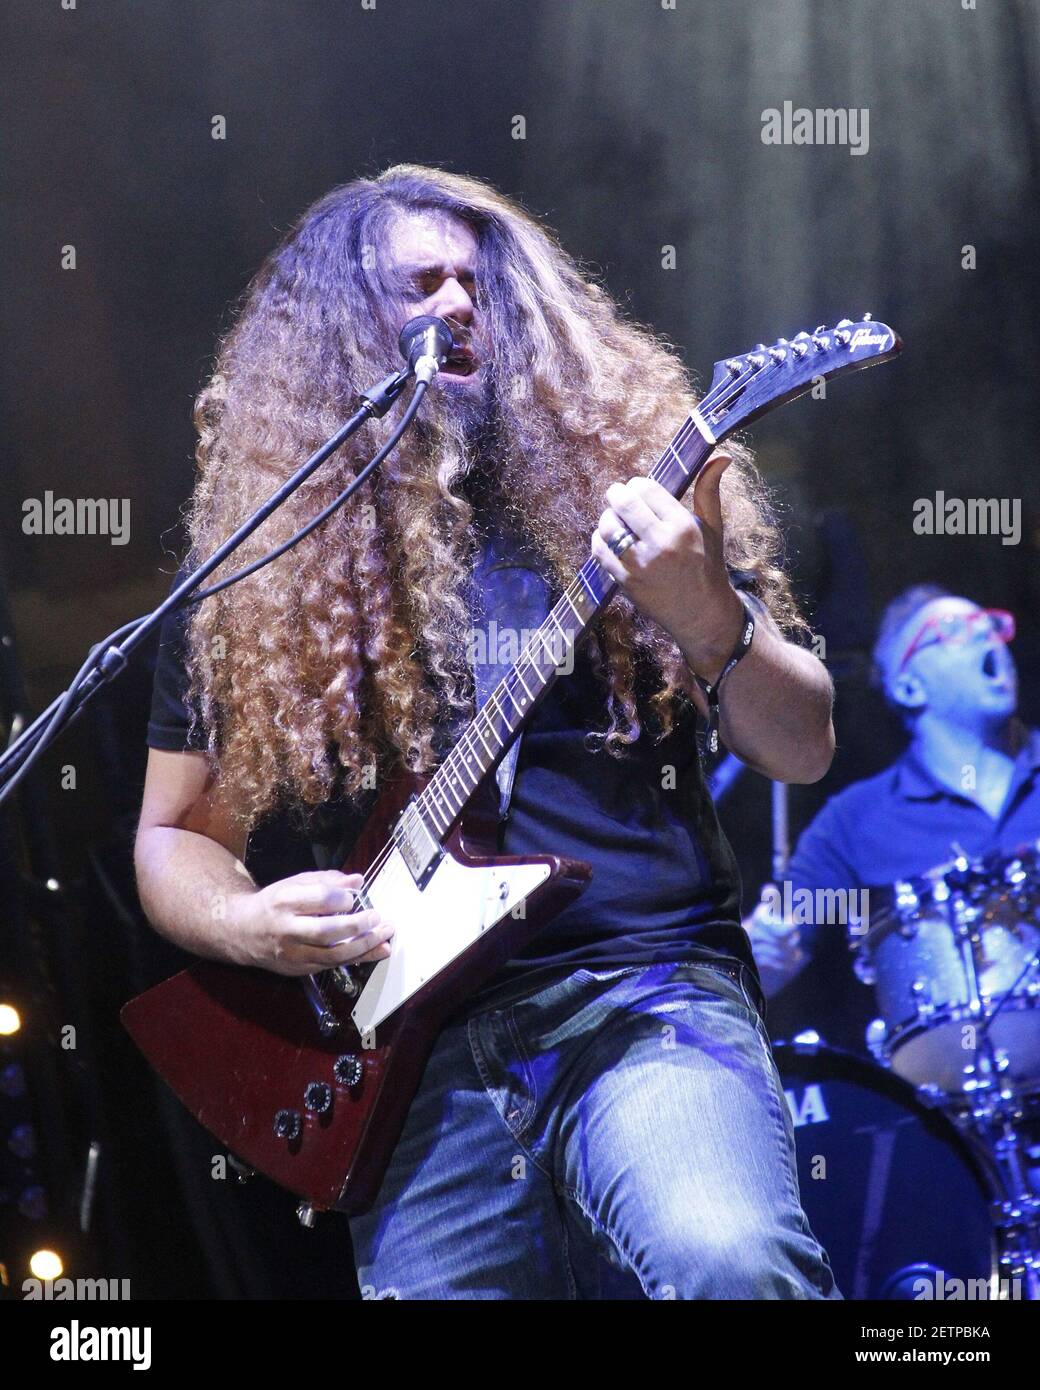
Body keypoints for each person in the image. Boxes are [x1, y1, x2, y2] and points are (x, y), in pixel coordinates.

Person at [136, 165, 840, 1300]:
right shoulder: (259, 576)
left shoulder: (620, 495)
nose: (459, 304)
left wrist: (704, 609)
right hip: (415, 1066)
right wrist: (246, 919)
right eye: (421, 285)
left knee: (729, 1261)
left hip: (638, 995)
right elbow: (171, 837)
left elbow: (800, 745)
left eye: (477, 284)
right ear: (336, 338)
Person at [747, 585, 1039, 1053]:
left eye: (992, 625)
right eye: (954, 631)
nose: (988, 636)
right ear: (908, 686)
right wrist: (764, 949)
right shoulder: (854, 822)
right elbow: (777, 943)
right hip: (946, 1096)